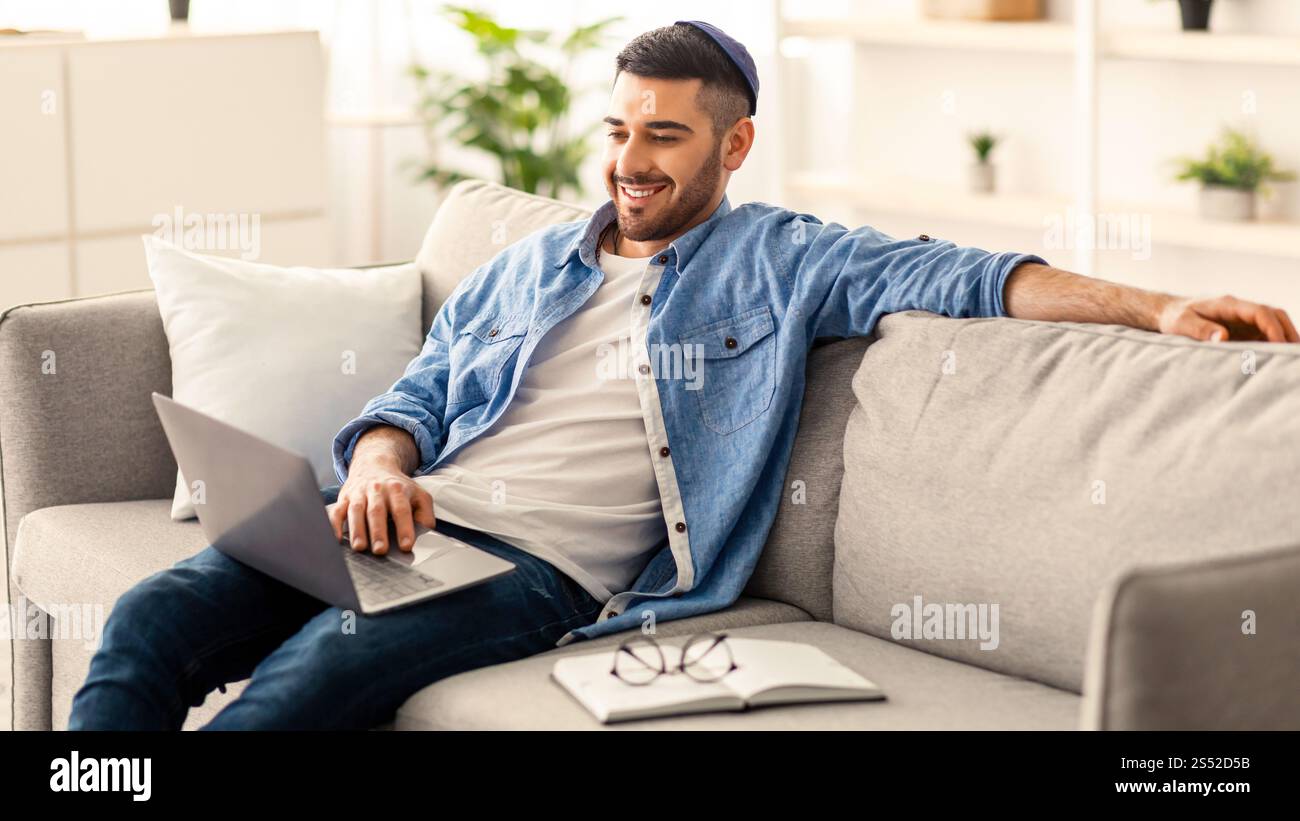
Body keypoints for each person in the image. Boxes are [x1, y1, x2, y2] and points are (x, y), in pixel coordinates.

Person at [69, 21, 1297, 730]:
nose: (630, 162)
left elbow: (975, 274)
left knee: (313, 676)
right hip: (403, 521)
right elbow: (423, 391)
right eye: (618, 130)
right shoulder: (534, 260)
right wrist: (384, 459)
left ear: (733, 143)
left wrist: (1155, 304)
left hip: (538, 570)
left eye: (664, 134)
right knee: (147, 621)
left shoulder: (784, 260)